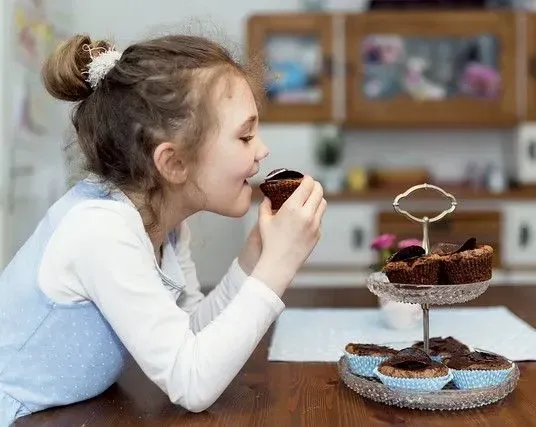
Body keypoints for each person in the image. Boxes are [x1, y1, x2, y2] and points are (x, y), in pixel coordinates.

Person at [0, 33, 326, 425]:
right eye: (245, 136)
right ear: (172, 163)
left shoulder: (164, 227)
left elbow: (189, 336)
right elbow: (191, 382)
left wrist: (258, 252)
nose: (263, 149)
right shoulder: (100, 232)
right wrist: (280, 264)